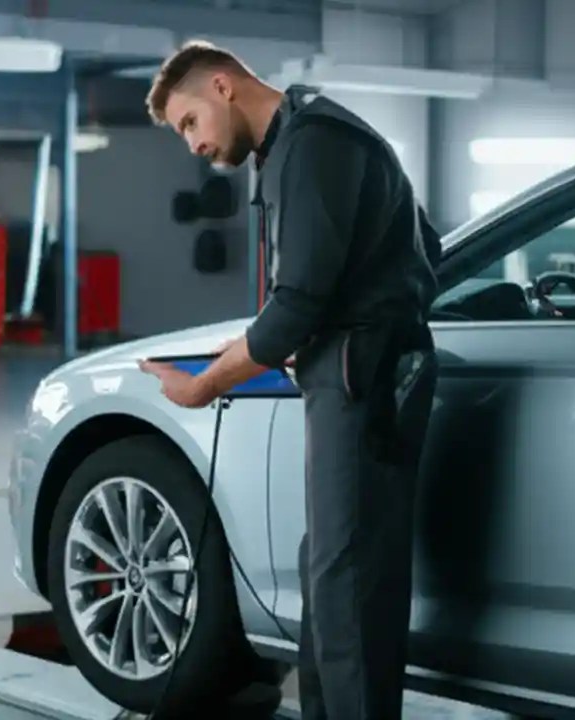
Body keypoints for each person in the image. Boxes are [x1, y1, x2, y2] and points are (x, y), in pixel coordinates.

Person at [137, 40, 441, 720]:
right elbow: (421, 249)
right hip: (357, 373)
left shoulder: (313, 144)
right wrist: (297, 332)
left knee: (347, 583)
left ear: (222, 86)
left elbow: (296, 307)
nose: (192, 146)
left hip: (360, 381)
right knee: (331, 573)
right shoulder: (299, 144)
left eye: (189, 124)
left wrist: (203, 385)